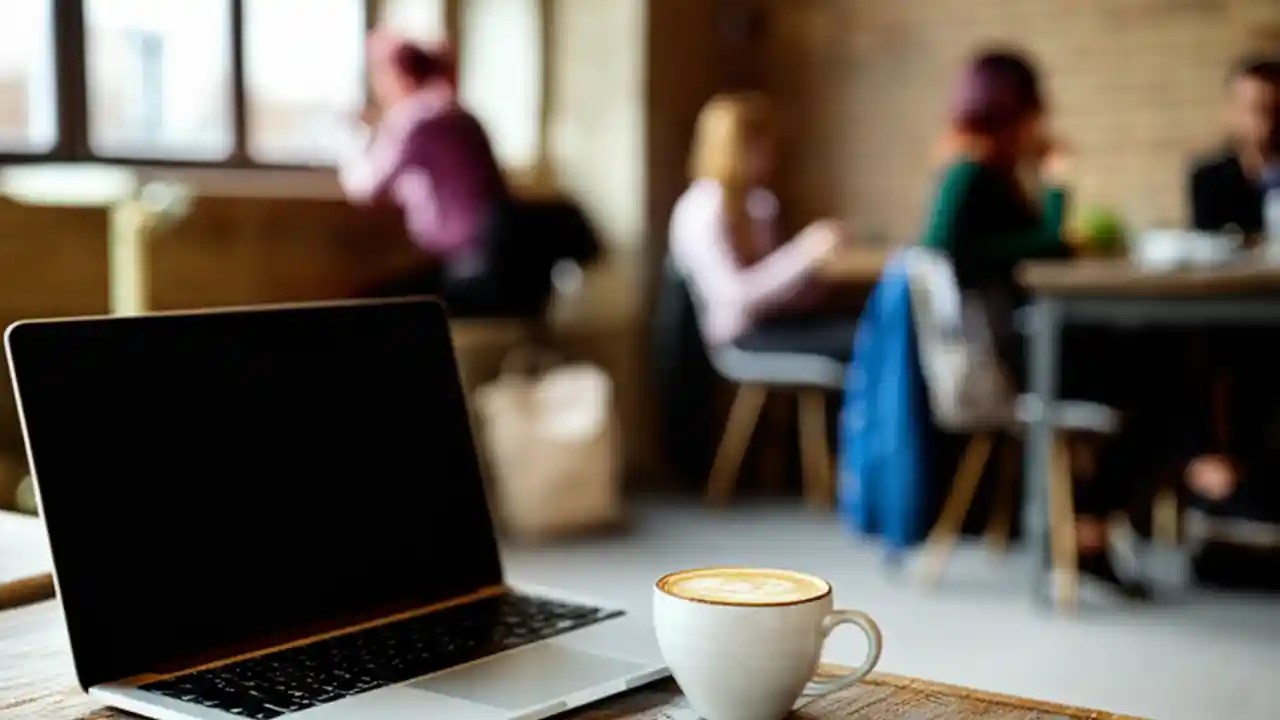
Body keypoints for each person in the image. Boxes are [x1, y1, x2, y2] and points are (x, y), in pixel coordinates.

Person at [921, 50, 1161, 597]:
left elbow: (1033, 247)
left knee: (1155, 357)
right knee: (1159, 373)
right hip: (1010, 358)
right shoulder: (968, 172)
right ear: (1017, 108)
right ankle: (1089, 528)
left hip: (1024, 343)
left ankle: (1088, 524)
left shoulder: (997, 174)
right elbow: (946, 244)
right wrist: (1057, 186)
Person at [339, 31, 522, 315]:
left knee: (372, 306)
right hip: (498, 260)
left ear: (393, 75)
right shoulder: (460, 114)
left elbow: (365, 187)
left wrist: (357, 137)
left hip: (471, 265)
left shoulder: (416, 118)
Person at [669, 92, 852, 361]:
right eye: (759, 144)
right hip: (740, 337)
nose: (770, 154)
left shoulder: (758, 203)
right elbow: (736, 299)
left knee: (869, 327)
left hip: (775, 322)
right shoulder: (702, 208)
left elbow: (774, 290)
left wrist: (815, 275)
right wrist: (804, 253)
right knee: (867, 343)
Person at [1190, 57, 1280, 237]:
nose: (1264, 122)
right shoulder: (1210, 180)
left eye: (1273, 110)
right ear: (1232, 112)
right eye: (1254, 109)